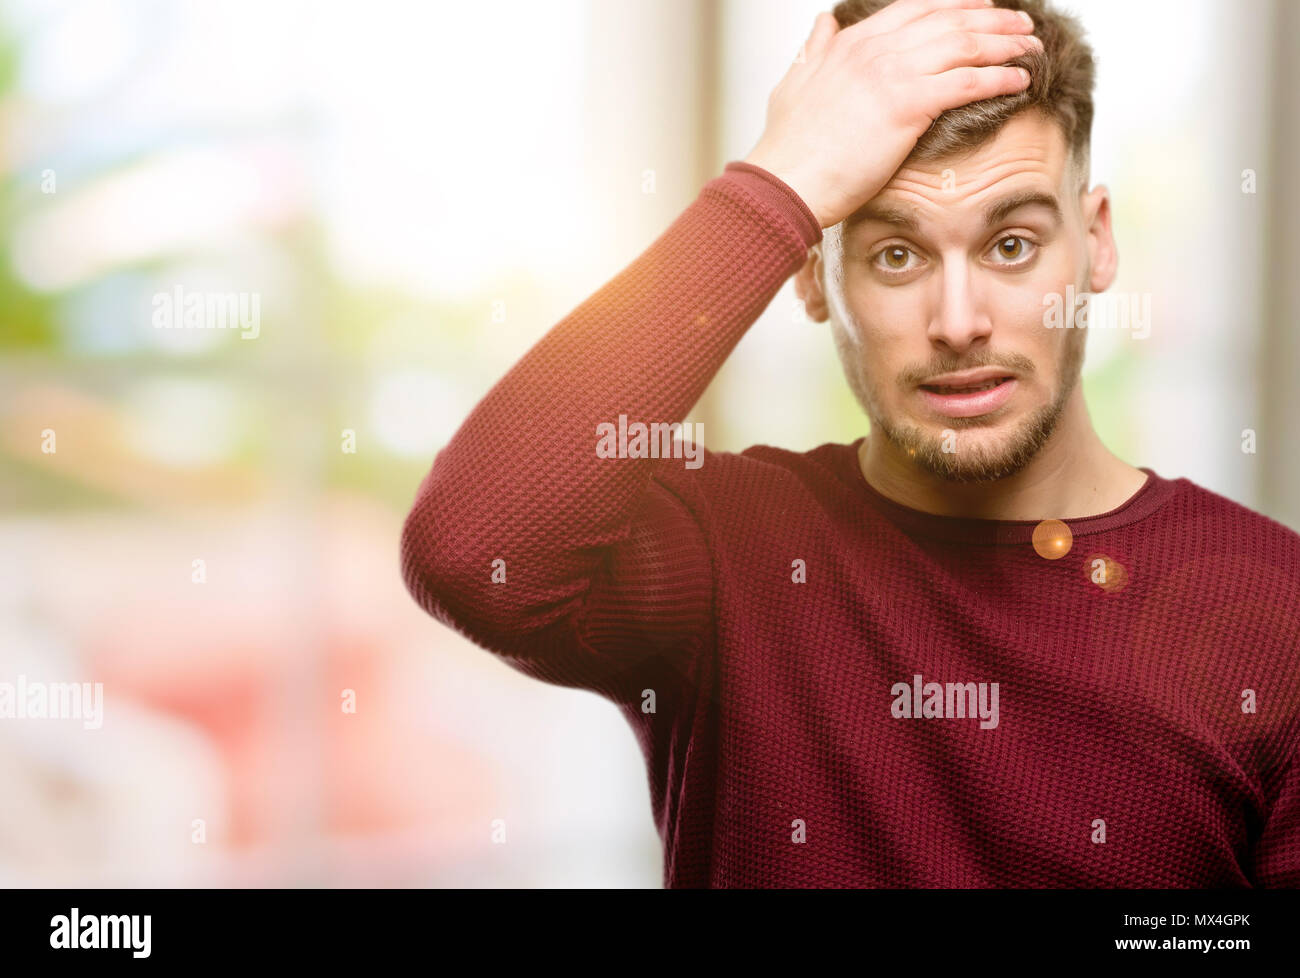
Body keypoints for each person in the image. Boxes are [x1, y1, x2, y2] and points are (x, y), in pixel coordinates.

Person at [400, 0, 1300, 887]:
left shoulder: (1277, 614)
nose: (959, 323)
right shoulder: (729, 558)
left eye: (1013, 244)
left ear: (1095, 242)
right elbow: (473, 552)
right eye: (895, 256)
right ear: (810, 274)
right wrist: (780, 180)